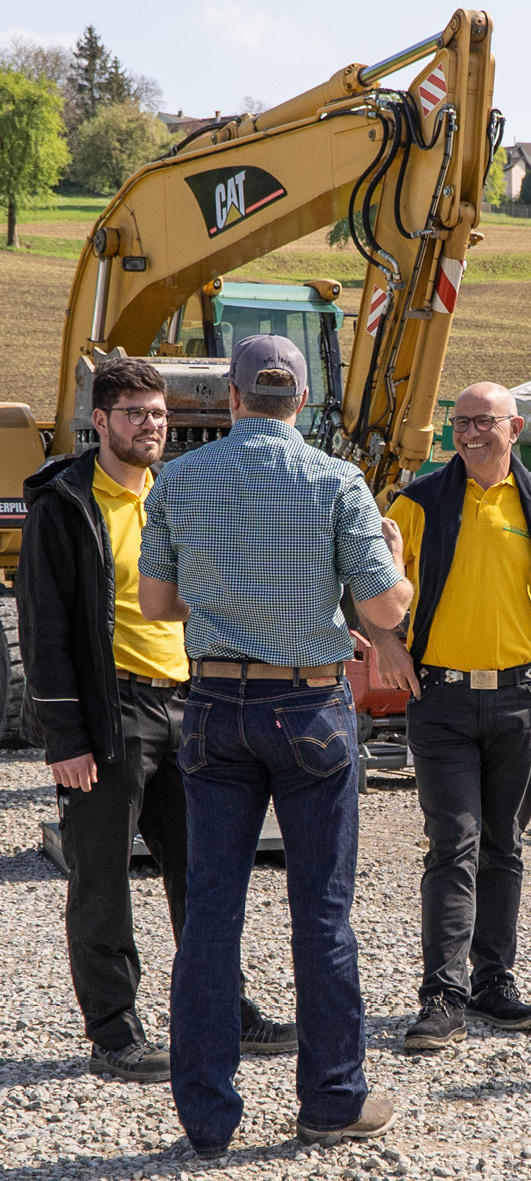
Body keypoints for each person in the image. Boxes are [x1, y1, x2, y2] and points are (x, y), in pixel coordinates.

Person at [138, 335, 413, 1157]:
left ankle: (207, 1118)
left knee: (212, 916)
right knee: (320, 913)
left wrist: (232, 595)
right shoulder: (337, 480)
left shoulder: (179, 478)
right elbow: (386, 612)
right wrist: (394, 562)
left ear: (230, 396)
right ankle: (331, 1101)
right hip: (311, 703)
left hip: (216, 702)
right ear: (300, 399)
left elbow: (158, 604)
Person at [15, 357, 295, 1085]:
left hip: (189, 705)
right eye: (136, 413)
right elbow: (43, 629)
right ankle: (114, 1032)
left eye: (160, 414)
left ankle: (225, 1007)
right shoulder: (65, 504)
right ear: (100, 420)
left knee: (204, 874)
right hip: (112, 714)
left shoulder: (177, 495)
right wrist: (65, 738)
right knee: (102, 879)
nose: (152, 426)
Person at [383, 381, 531, 1052]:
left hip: (521, 700)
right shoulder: (417, 500)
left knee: (503, 845)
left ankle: (492, 983)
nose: (470, 432)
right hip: (441, 700)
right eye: (460, 421)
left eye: (484, 421)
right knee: (452, 841)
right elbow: (367, 577)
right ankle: (442, 996)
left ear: (516, 427)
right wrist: (388, 644)